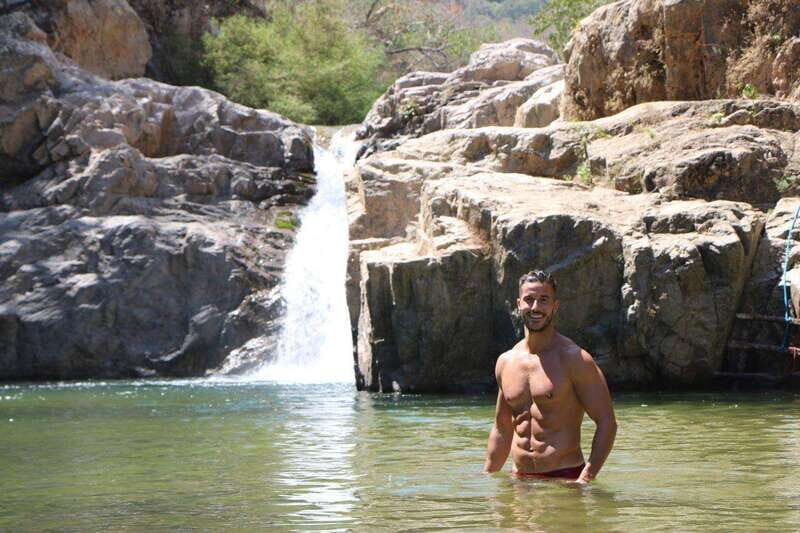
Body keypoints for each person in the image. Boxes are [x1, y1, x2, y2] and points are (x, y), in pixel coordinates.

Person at [483, 270, 617, 483]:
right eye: (529, 300)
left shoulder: (575, 359)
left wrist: (585, 479)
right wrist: (487, 479)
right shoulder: (506, 362)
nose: (535, 307)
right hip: (520, 481)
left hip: (565, 480)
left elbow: (607, 422)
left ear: (555, 306)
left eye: (543, 300)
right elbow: (502, 428)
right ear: (519, 304)